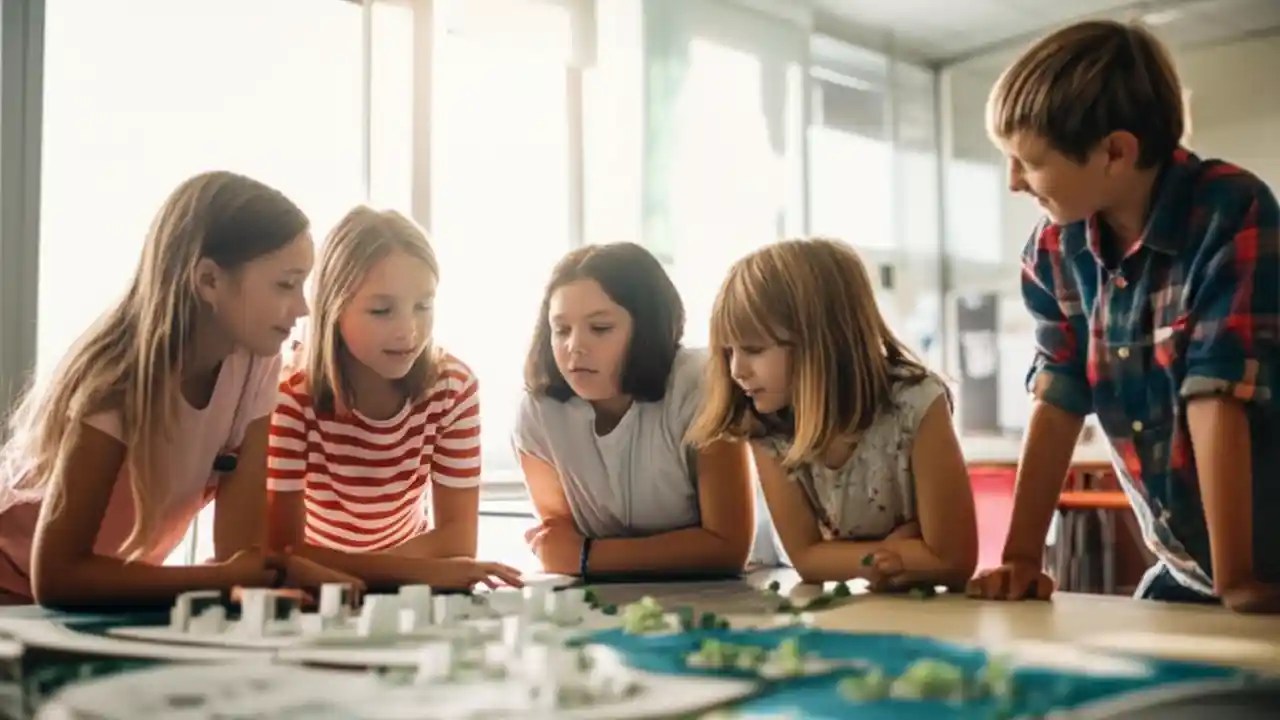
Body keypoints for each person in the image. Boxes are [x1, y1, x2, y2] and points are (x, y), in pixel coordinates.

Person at [966, 20, 1280, 612]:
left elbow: (1219, 391)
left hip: (1260, 563)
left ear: (1115, 152)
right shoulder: (1054, 251)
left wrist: (1235, 578)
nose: (1013, 182)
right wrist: (1021, 559)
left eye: (1028, 162)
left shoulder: (1231, 211)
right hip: (1183, 570)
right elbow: (1058, 397)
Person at [0, 171, 356, 608]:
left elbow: (239, 553)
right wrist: (225, 581)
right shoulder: (117, 383)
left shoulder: (257, 364)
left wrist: (276, 573)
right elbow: (56, 577)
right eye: (285, 284)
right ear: (209, 280)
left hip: (96, 602)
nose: (302, 307)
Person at [687, 238, 977, 590]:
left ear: (822, 341)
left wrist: (843, 557)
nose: (736, 370)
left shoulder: (916, 403)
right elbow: (807, 560)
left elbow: (954, 559)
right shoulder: (767, 426)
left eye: (754, 349)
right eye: (729, 351)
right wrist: (895, 553)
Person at [267, 207, 521, 590]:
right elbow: (286, 551)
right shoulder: (289, 395)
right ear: (333, 309)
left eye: (424, 306)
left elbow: (458, 539)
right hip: (320, 590)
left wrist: (364, 569)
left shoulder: (453, 387)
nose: (409, 331)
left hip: (399, 581)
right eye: (382, 310)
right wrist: (415, 570)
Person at [515, 242, 754, 578]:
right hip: (607, 602)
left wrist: (588, 556)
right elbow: (558, 543)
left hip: (724, 594)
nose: (574, 347)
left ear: (647, 329)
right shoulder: (538, 411)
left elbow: (727, 547)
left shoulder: (702, 384)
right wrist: (578, 555)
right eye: (561, 329)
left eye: (600, 328)